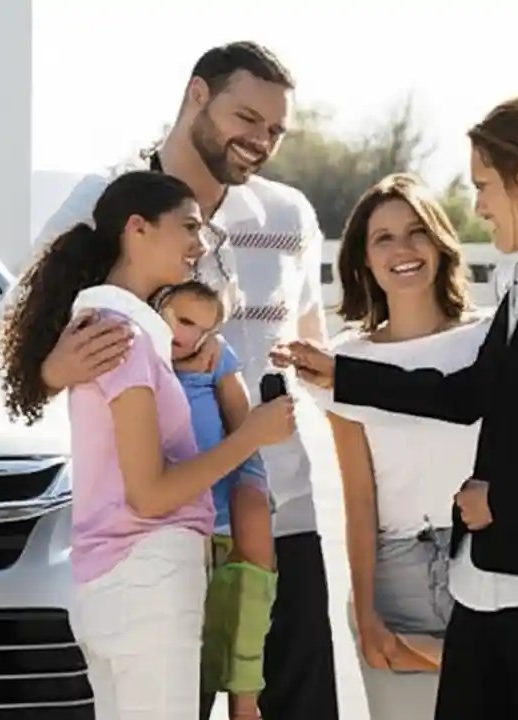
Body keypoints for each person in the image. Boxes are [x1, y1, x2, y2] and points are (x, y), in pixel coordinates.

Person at [276, 97, 518, 720]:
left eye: (483, 186)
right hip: (485, 580)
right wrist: (345, 374)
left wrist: (501, 501)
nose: (476, 206)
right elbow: (462, 394)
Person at [32, 41, 339, 720]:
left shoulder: (290, 217)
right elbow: (28, 350)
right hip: (157, 535)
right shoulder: (108, 203)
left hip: (279, 512)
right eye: (246, 117)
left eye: (276, 129)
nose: (261, 140)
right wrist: (56, 368)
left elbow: (318, 354)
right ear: (196, 95)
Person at [0, 170, 296, 720]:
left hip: (119, 584)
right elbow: (150, 495)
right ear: (137, 229)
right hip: (147, 582)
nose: (199, 245)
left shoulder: (111, 330)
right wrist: (252, 434)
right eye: (188, 227)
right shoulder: (124, 339)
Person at [318, 173, 489, 719]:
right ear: (364, 260)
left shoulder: (490, 339)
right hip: (397, 572)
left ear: (440, 242)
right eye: (383, 238)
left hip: (489, 558)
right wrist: (366, 610)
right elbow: (359, 499)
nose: (402, 249)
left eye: (416, 231)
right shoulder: (345, 361)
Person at [154, 280, 277, 719]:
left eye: (201, 329)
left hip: (227, 494)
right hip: (172, 508)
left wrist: (253, 490)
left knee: (255, 536)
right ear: (159, 305)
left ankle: (246, 699)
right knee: (195, 636)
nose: (186, 335)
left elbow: (246, 431)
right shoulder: (141, 358)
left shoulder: (216, 359)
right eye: (181, 319)